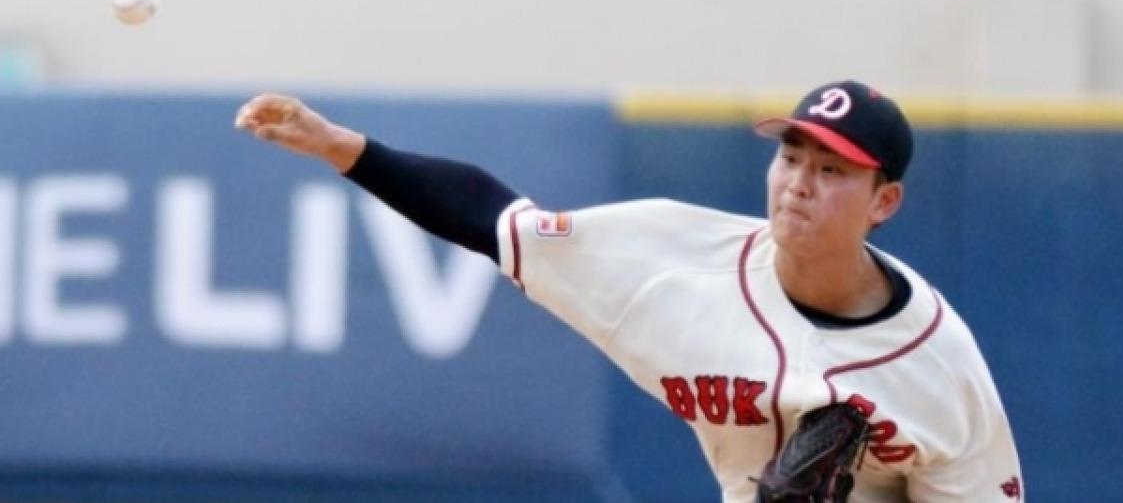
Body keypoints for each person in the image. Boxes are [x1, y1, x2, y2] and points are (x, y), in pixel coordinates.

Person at [234, 80, 1023, 502]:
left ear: (884, 202)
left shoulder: (938, 364)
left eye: (832, 171)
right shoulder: (671, 259)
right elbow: (494, 219)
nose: (798, 185)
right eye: (791, 157)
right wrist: (342, 148)